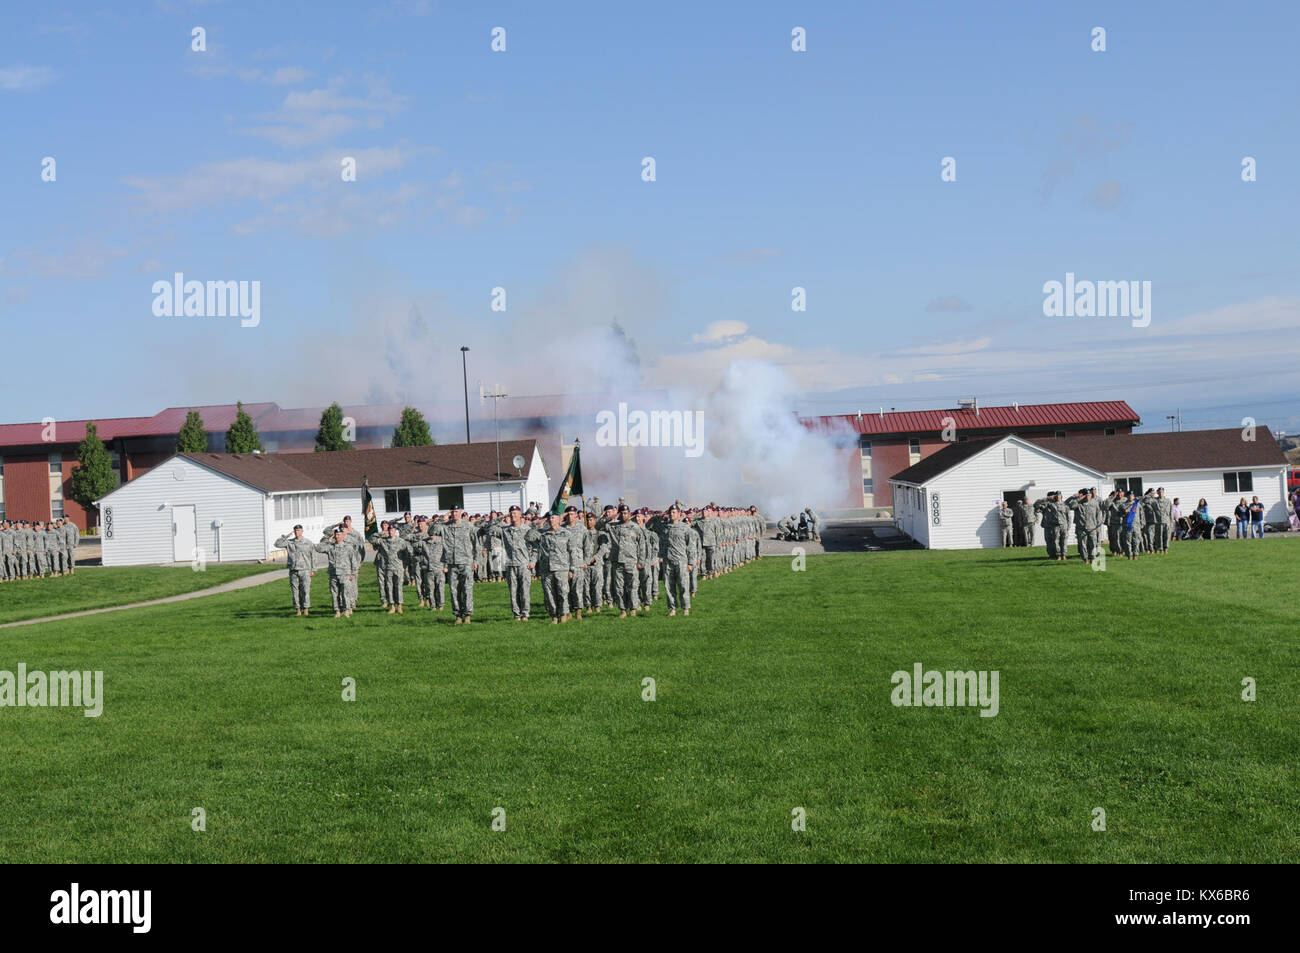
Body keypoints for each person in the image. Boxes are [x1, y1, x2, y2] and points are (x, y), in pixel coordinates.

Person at [441, 505, 478, 624]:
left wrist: (476, 560)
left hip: (466, 562)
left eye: (456, 511)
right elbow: (431, 531)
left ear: (460, 512)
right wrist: (443, 519)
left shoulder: (468, 526)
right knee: (454, 590)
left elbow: (476, 543)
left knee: (467, 589)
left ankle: (467, 615)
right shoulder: (446, 527)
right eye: (452, 511)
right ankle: (458, 615)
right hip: (452, 563)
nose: (454, 514)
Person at [536, 512, 574, 623]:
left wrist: (571, 569)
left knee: (563, 592)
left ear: (559, 519)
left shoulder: (566, 533)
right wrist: (538, 524)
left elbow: (572, 552)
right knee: (549, 594)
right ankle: (554, 615)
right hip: (546, 569)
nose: (551, 520)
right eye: (549, 518)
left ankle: (563, 614)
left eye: (553, 518)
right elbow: (528, 537)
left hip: (562, 568)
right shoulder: (542, 533)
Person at [656, 504, 694, 616]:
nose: (672, 514)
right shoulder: (665, 528)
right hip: (668, 561)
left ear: (679, 514)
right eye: (670, 512)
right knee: (669, 587)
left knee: (683, 585)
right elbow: (662, 543)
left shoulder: (685, 528)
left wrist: (691, 562)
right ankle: (672, 609)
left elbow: (690, 546)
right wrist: (661, 556)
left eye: (674, 512)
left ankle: (685, 608)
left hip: (681, 561)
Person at [606, 503, 643, 618]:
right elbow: (598, 525)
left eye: (625, 513)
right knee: (618, 587)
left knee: (632, 586)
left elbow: (641, 545)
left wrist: (640, 560)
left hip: (631, 561)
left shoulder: (635, 527)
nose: (623, 515)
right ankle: (622, 610)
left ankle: (633, 608)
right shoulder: (613, 526)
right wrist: (610, 516)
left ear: (630, 514)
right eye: (621, 513)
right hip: (617, 562)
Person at [314, 528, 360, 618]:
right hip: (333, 574)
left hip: (345, 574)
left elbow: (353, 561)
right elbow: (318, 548)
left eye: (339, 534)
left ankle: (346, 610)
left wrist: (353, 573)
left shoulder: (348, 547)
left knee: (345, 593)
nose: (337, 536)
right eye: (336, 535)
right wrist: (328, 541)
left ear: (343, 535)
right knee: (335, 593)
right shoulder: (330, 547)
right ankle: (337, 611)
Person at [274, 524, 318, 616]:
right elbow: (277, 544)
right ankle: (298, 609)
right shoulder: (289, 542)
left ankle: (306, 608)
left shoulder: (308, 542)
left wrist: (313, 569)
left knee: (305, 590)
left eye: (298, 530)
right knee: (295, 591)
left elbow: (313, 556)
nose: (297, 532)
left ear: (302, 531)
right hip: (293, 570)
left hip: (305, 569)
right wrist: (286, 536)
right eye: (295, 531)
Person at [1153, 488, 1172, 553]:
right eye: (1159, 492)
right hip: (1158, 521)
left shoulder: (1168, 501)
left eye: (1162, 492)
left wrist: (1171, 522)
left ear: (1164, 492)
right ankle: (1160, 549)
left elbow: (1171, 512)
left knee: (1166, 536)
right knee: (1159, 536)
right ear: (1157, 493)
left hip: (1166, 521)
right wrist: (1150, 495)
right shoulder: (1155, 501)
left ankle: (1165, 548)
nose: (1161, 493)